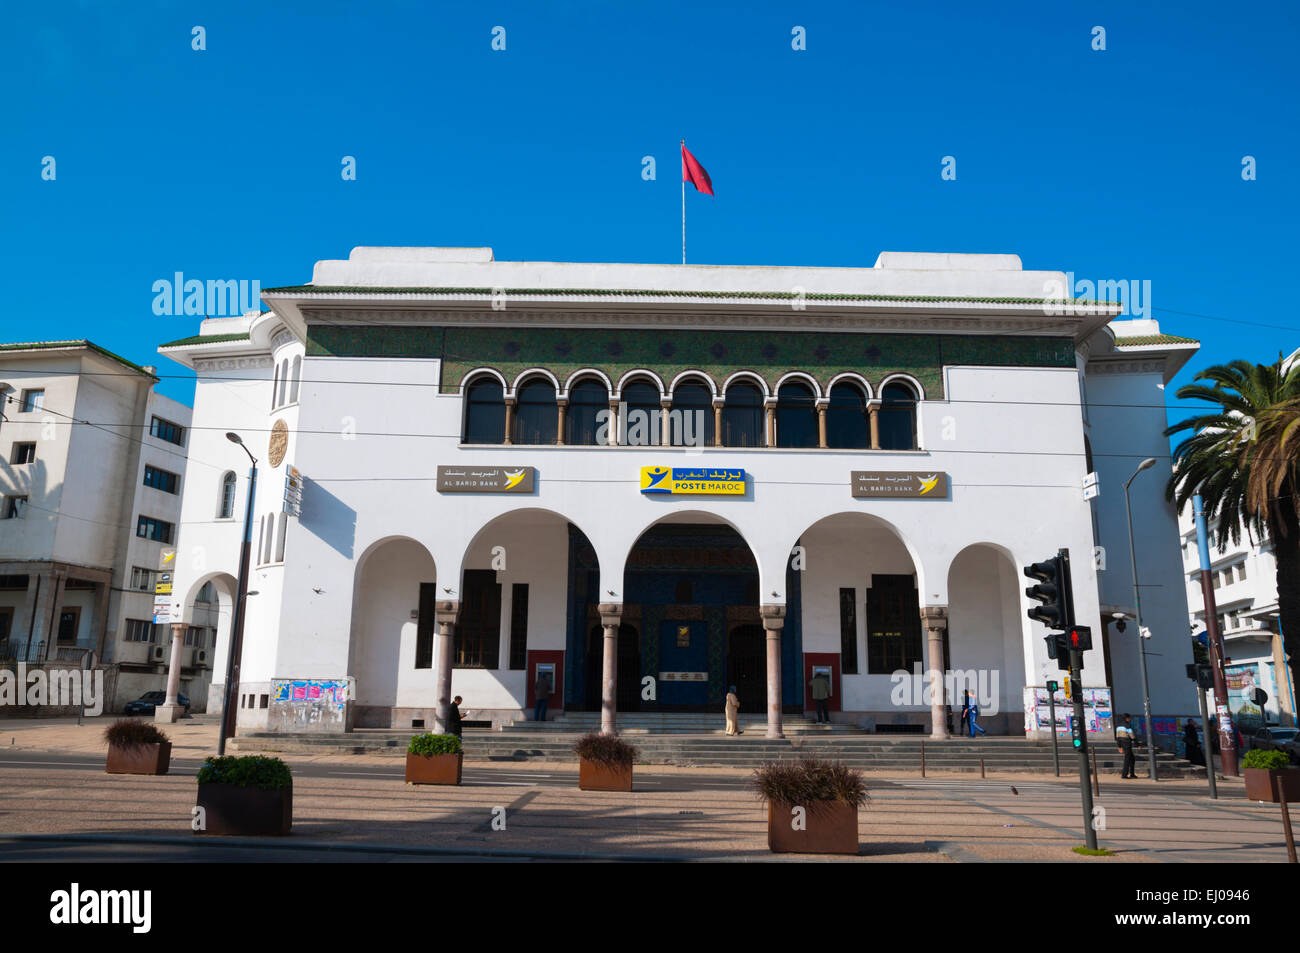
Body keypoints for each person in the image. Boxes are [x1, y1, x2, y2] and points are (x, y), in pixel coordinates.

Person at [1117, 713, 1136, 778]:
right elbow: (1132, 735)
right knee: (1127, 759)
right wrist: (1137, 744)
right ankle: (1124, 774)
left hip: (1122, 743)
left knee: (1132, 758)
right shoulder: (1127, 725)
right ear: (1127, 718)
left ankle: (1132, 774)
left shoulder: (1118, 726)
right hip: (1127, 743)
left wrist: (1119, 746)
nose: (1130, 719)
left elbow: (1118, 737)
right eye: (1129, 718)